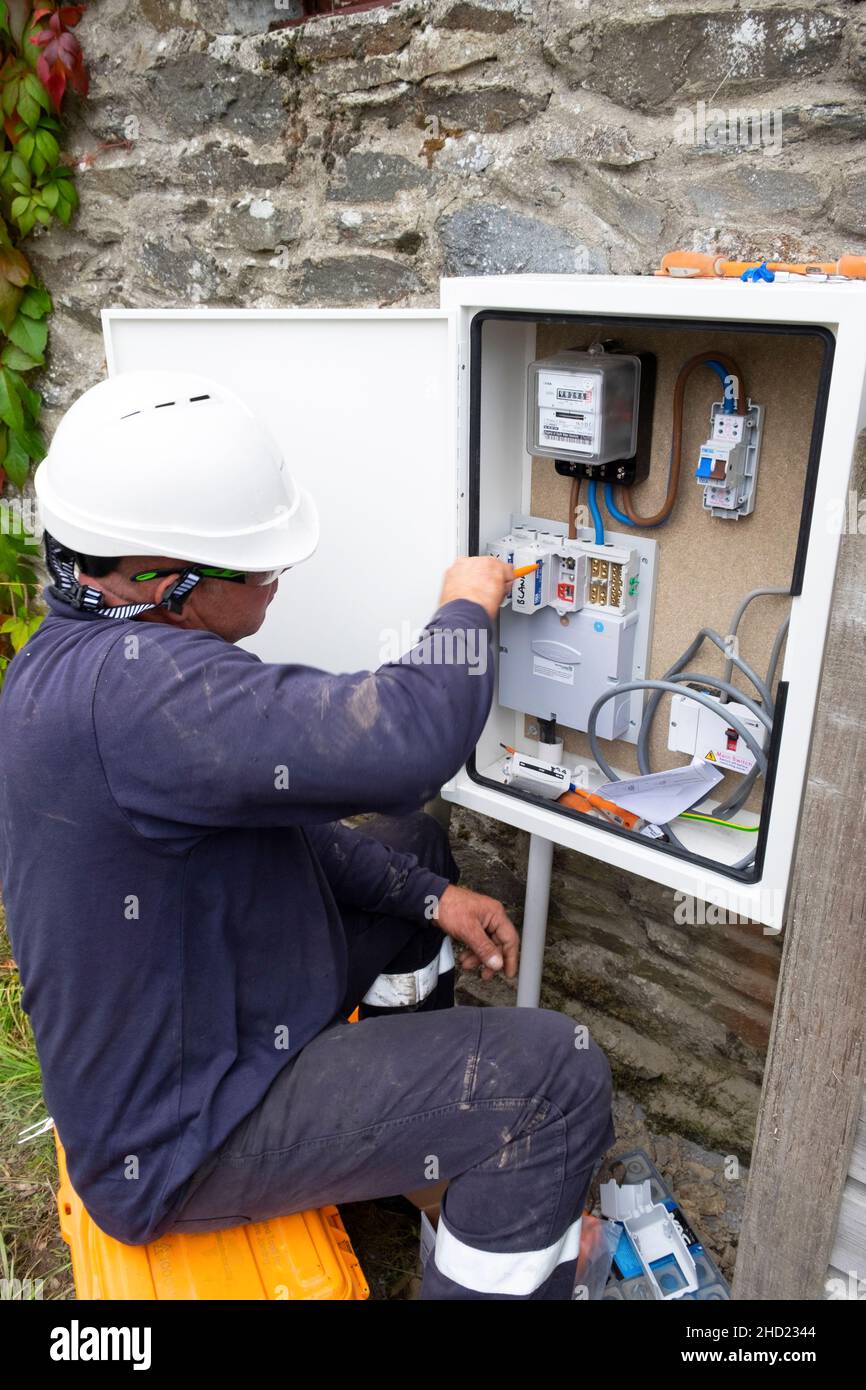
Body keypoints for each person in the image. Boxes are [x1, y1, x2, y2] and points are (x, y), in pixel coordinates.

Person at [0, 369, 614, 1300]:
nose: (276, 584)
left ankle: (419, 1166)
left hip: (221, 1006)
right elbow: (404, 739)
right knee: (550, 1082)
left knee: (413, 852)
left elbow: (276, 815)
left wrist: (430, 899)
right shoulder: (141, 696)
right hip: (183, 1135)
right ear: (172, 584)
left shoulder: (88, 652)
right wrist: (468, 604)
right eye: (261, 569)